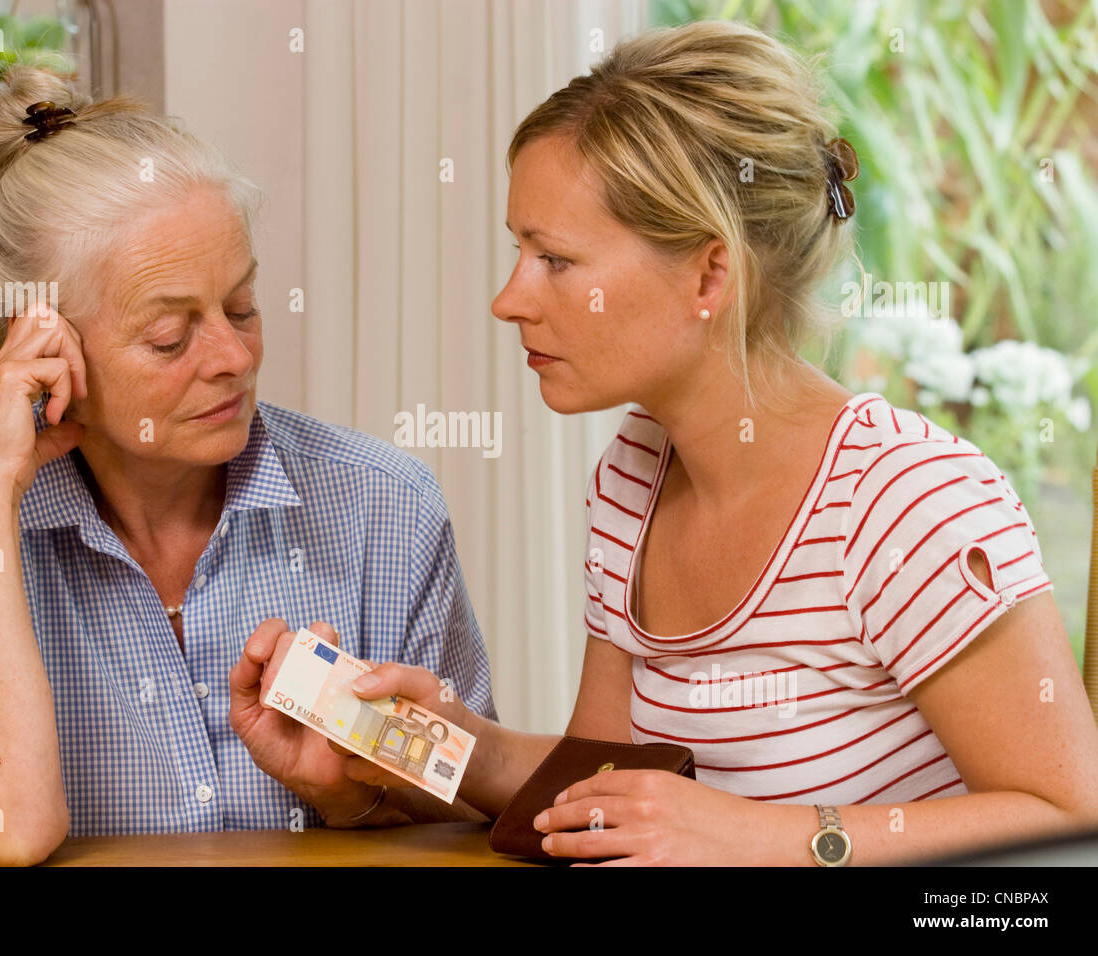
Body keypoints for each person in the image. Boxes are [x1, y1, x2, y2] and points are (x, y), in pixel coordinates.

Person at [257, 20, 1098, 864]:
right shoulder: (635, 473)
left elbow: (1070, 812)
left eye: (554, 259)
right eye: (520, 250)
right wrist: (448, 741)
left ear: (709, 274)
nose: (508, 299)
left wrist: (770, 835)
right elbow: (603, 782)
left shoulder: (908, 501)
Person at [0, 65, 496, 867]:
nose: (234, 356)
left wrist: (344, 791)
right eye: (170, 338)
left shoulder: (385, 504)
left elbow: (472, 818)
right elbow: (7, 831)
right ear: (44, 351)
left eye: (242, 307)